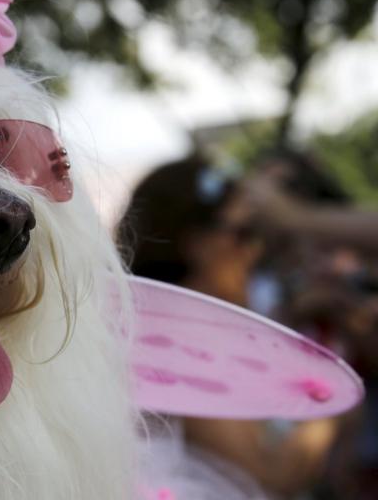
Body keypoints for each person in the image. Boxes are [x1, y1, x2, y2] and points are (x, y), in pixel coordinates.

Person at [120, 154, 342, 498]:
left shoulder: (162, 326)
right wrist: (335, 400)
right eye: (244, 233)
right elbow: (268, 477)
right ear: (196, 244)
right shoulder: (186, 342)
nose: (255, 251)